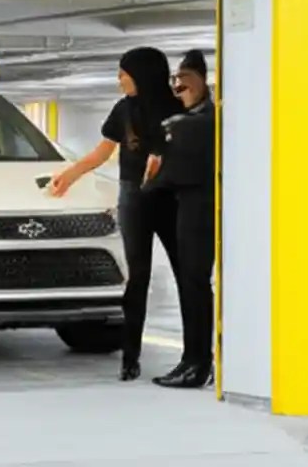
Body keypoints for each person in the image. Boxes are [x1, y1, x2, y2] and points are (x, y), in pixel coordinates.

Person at [48, 46, 182, 382]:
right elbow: (102, 152)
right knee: (137, 277)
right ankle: (130, 358)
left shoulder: (177, 108)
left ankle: (197, 355)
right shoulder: (123, 110)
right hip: (133, 196)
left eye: (124, 73)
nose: (119, 79)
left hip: (172, 196)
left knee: (188, 276)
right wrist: (71, 173)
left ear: (143, 74)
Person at [146, 48, 217, 389]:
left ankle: (197, 363)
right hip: (194, 208)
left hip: (198, 210)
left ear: (203, 81)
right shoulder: (197, 119)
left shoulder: (194, 124)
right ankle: (197, 360)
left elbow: (166, 174)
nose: (177, 87)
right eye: (175, 80)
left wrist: (149, 183)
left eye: (184, 80)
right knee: (194, 287)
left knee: (194, 286)